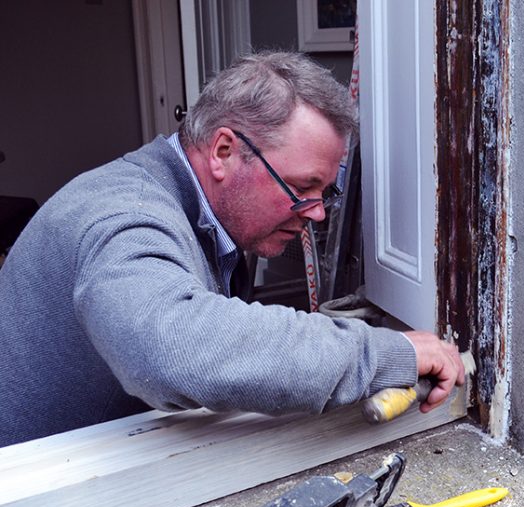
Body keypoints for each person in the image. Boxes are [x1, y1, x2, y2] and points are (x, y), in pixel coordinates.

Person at [0, 52, 464, 447]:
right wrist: (382, 354)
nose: (317, 213)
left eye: (326, 192)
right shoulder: (126, 215)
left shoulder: (204, 218)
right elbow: (171, 347)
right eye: (304, 186)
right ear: (223, 151)